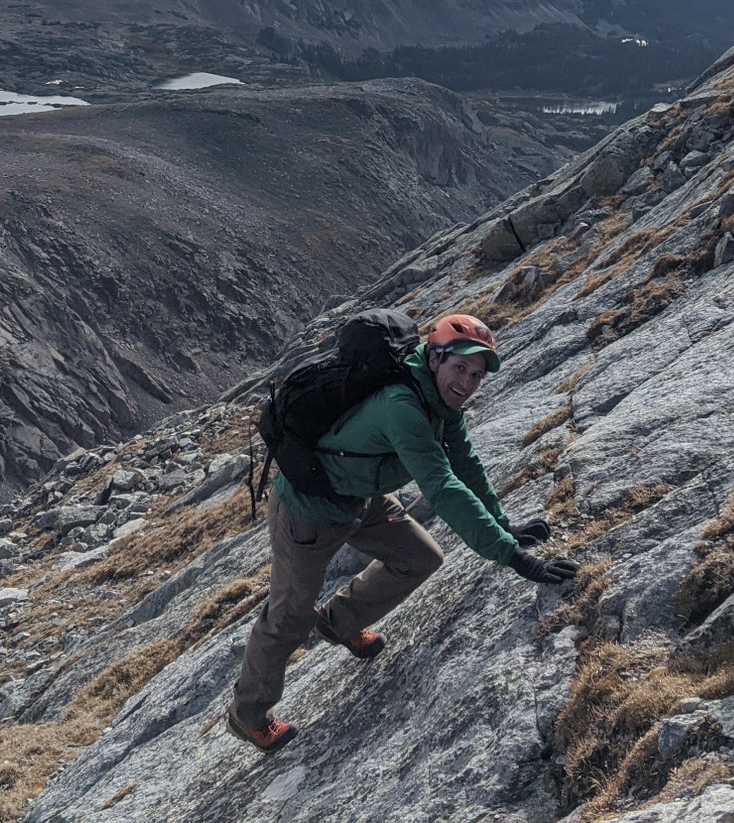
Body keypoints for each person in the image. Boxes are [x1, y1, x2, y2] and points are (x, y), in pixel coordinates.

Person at [226, 312, 580, 752]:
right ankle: (247, 714)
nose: (467, 383)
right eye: (460, 368)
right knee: (289, 615)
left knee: (420, 557)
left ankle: (339, 622)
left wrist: (502, 523)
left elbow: (464, 462)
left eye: (476, 375)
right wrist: (511, 555)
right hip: (309, 509)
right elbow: (442, 484)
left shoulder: (440, 400)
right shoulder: (402, 406)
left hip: (361, 496)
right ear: (433, 358)